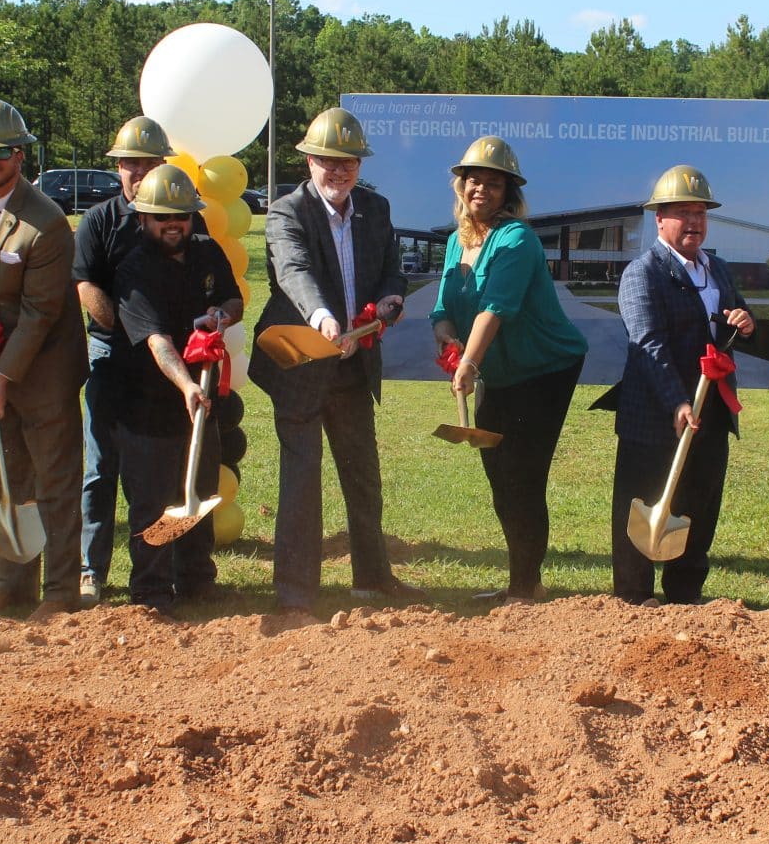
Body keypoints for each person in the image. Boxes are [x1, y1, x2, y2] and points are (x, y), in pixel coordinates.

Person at [247, 106, 420, 612]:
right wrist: (322, 317)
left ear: (359, 166)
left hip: (351, 366)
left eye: (349, 161)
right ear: (309, 161)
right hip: (302, 363)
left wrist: (390, 299)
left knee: (362, 474)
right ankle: (296, 593)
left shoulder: (376, 209)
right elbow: (293, 271)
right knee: (302, 477)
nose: (339, 171)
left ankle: (372, 579)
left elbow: (392, 269)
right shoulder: (285, 213)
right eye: (328, 160)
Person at [429, 136, 589, 604]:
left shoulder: (516, 240)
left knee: (522, 473)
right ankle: (522, 580)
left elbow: (494, 310)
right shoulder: (456, 240)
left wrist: (470, 363)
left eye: (493, 183)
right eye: (474, 180)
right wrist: (445, 335)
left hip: (544, 370)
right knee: (498, 472)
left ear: (508, 193)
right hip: (497, 373)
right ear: (461, 185)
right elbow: (442, 306)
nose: (482, 189)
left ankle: (524, 586)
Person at [0, 98, 89, 620]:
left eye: (1, 153)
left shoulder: (47, 224)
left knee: (53, 480)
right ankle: (11, 583)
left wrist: (5, 376)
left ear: (20, 156)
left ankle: (60, 591)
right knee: (8, 475)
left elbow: (40, 314)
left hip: (44, 366)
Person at [594, 165, 756, 606]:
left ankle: (685, 592)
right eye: (683, 213)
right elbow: (647, 343)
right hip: (654, 414)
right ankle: (633, 596)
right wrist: (677, 401)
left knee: (699, 503)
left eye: (701, 212)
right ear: (659, 219)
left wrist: (742, 321)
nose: (694, 222)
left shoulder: (717, 269)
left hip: (711, 410)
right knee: (642, 503)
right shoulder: (642, 274)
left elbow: (734, 317)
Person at [111, 166, 243, 611]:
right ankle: (149, 589)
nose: (174, 225)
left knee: (200, 492)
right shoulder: (132, 270)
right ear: (143, 219)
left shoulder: (207, 251)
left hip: (200, 404)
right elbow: (157, 341)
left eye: (182, 217)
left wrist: (220, 316)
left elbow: (234, 300)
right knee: (152, 500)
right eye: (163, 217)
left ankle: (196, 581)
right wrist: (185, 383)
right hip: (147, 404)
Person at [74, 115, 170, 600]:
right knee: (99, 468)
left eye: (148, 163)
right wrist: (122, 324)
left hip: (160, 361)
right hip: (109, 352)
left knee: (150, 472)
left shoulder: (174, 218)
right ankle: (91, 569)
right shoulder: (99, 220)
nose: (138, 172)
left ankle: (151, 576)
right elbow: (85, 282)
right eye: (130, 163)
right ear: (118, 168)